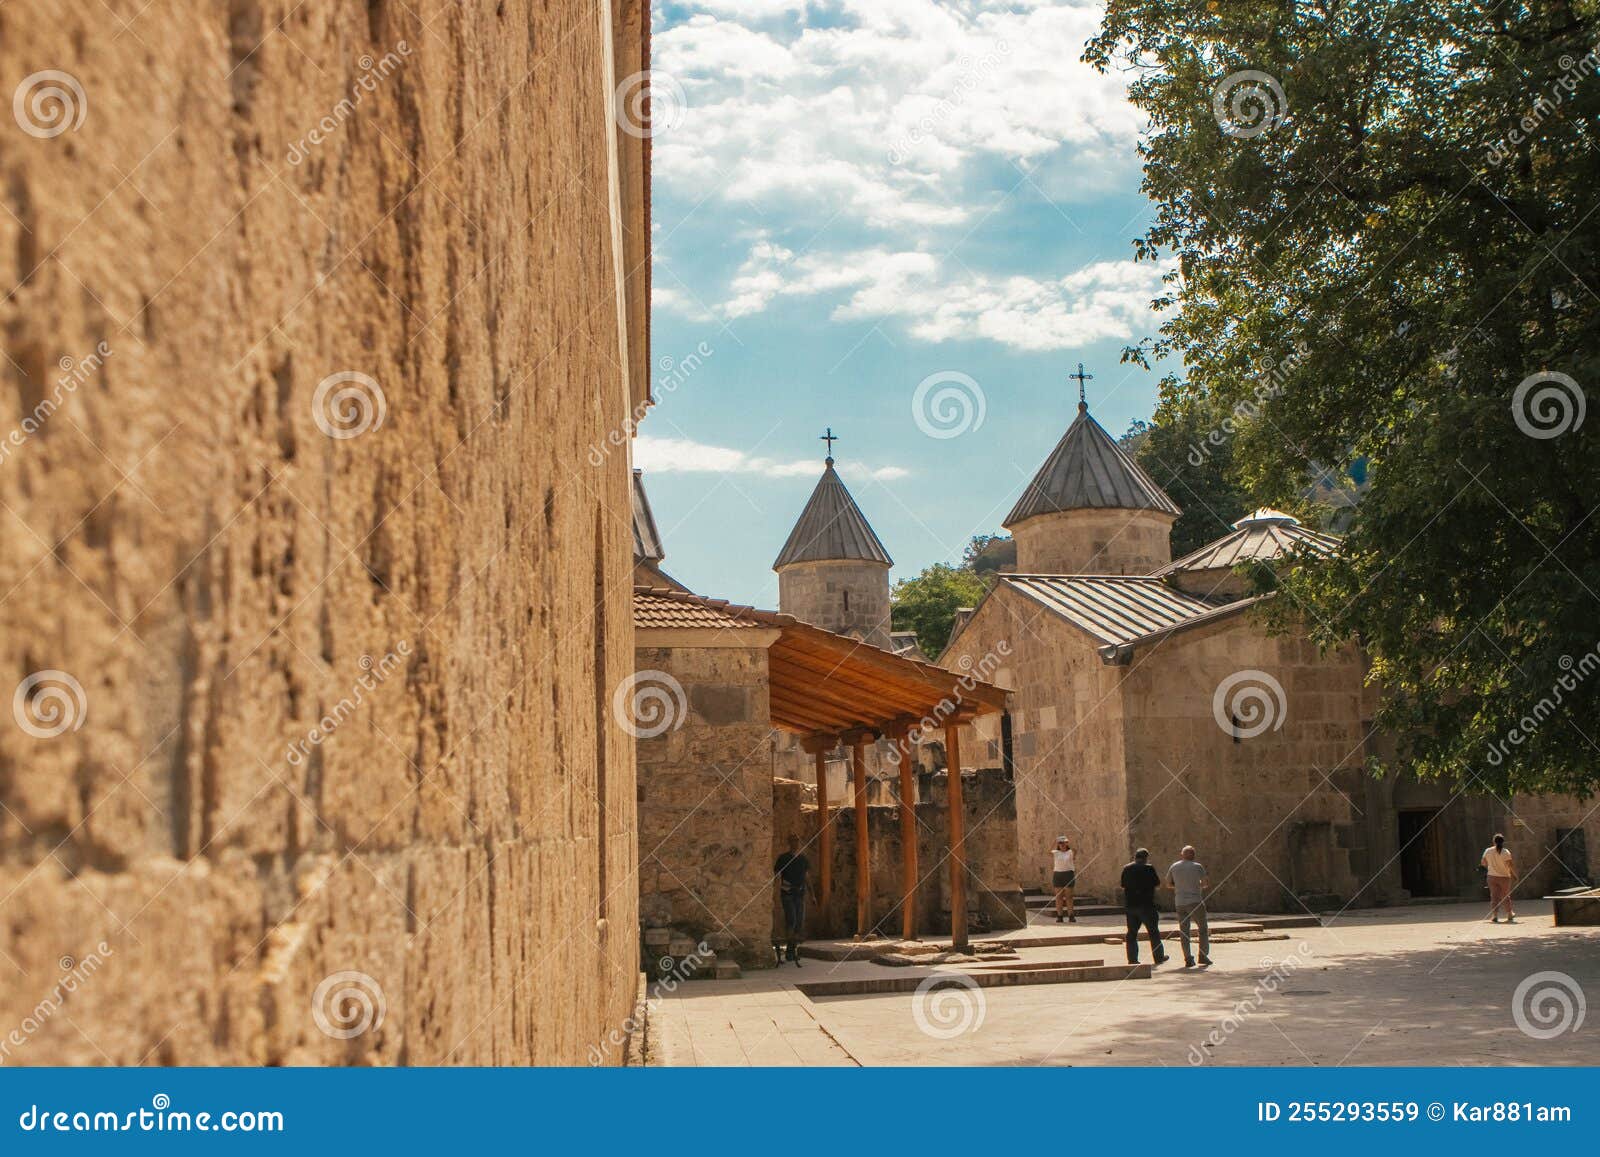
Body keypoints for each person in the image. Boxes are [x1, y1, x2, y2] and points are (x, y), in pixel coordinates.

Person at [1120, 848, 1167, 966]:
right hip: (1147, 905)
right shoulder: (1149, 868)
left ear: (1135, 857)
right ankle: (1158, 957)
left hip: (1131, 905)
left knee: (1132, 933)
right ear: (1146, 858)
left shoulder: (1127, 868)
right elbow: (1157, 883)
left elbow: (1122, 885)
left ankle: (1132, 959)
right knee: (1153, 932)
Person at [1168, 845, 1212, 968]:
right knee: (1202, 929)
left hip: (1180, 902)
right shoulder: (1197, 867)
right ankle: (1202, 956)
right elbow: (1205, 884)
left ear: (1182, 854)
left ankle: (1188, 958)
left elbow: (1168, 883)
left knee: (1184, 930)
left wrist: (1179, 887)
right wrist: (1197, 885)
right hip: (1195, 901)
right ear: (1193, 855)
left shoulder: (1174, 866)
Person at [774, 835, 815, 964]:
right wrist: (774, 893)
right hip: (787, 893)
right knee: (791, 919)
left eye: (797, 841)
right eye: (793, 841)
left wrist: (812, 894)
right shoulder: (783, 858)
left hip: (800, 894)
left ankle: (792, 949)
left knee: (799, 923)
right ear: (789, 842)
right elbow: (777, 876)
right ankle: (790, 952)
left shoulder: (803, 859)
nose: (795, 843)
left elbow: (807, 877)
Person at [1482, 833, 1517, 924]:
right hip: (1505, 876)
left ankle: (1495, 915)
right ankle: (1509, 913)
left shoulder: (1488, 851)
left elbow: (1483, 862)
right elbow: (1510, 865)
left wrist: (1490, 866)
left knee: (1494, 896)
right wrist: (1514, 875)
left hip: (1491, 876)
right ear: (1503, 841)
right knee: (1505, 896)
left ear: (1493, 841)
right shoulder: (1505, 852)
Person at [1050, 836, 1078, 923]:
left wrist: (1068, 842)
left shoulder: (1070, 852)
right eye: (1060, 843)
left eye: (1064, 843)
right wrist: (1055, 841)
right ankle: (1060, 916)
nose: (1062, 844)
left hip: (1068, 874)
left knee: (1069, 897)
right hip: (1058, 874)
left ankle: (1071, 916)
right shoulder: (1056, 852)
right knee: (1059, 897)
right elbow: (1048, 852)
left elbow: (1075, 850)